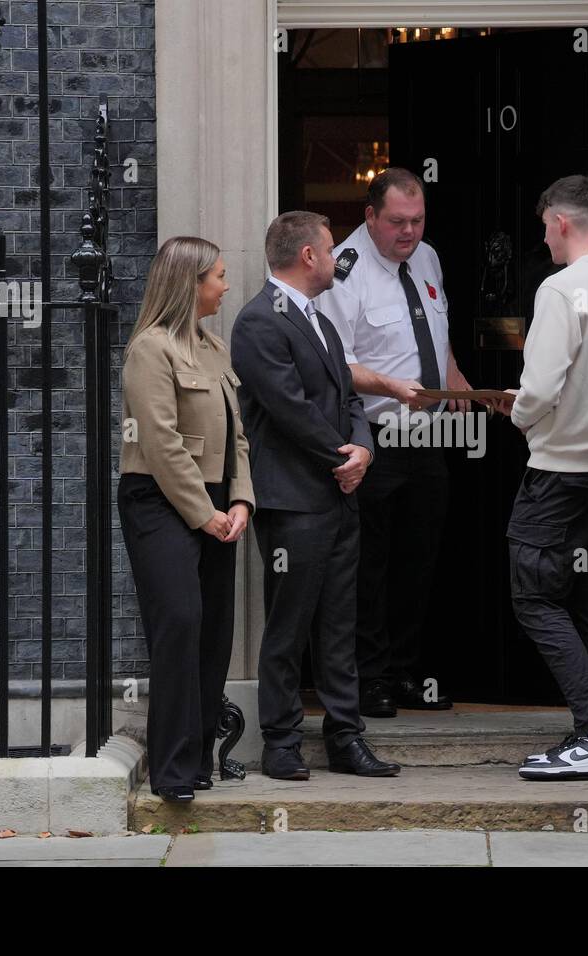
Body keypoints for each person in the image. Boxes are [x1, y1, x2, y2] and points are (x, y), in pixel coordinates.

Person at [230, 210, 400, 781]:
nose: (336, 260)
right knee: (288, 625)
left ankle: (346, 738)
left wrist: (362, 448)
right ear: (307, 257)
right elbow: (288, 409)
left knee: (338, 625)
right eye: (329, 250)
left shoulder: (323, 324)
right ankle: (281, 742)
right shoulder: (257, 322)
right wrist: (342, 458)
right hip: (293, 502)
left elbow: (348, 397)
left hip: (337, 496)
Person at [499, 175, 588, 780]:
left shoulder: (561, 289)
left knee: (534, 597)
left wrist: (518, 412)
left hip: (557, 469)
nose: (545, 239)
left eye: (544, 227)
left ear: (560, 221)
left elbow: (539, 386)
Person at [314, 167, 472, 717]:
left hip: (431, 437)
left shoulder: (426, 258)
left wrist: (460, 382)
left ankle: (406, 672)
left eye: (418, 220)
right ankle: (369, 679)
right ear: (371, 217)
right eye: (398, 223)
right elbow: (335, 363)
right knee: (370, 565)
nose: (409, 232)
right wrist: (392, 388)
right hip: (374, 436)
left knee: (418, 561)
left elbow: (436, 334)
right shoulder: (345, 272)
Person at [118, 236, 255, 803]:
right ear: (190, 283)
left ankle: (198, 760)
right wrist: (205, 516)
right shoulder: (151, 349)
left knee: (214, 631)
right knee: (180, 621)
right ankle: (171, 771)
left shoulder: (215, 349)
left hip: (218, 504)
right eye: (218, 276)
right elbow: (161, 441)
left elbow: (240, 439)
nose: (225, 285)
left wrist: (241, 502)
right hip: (160, 500)